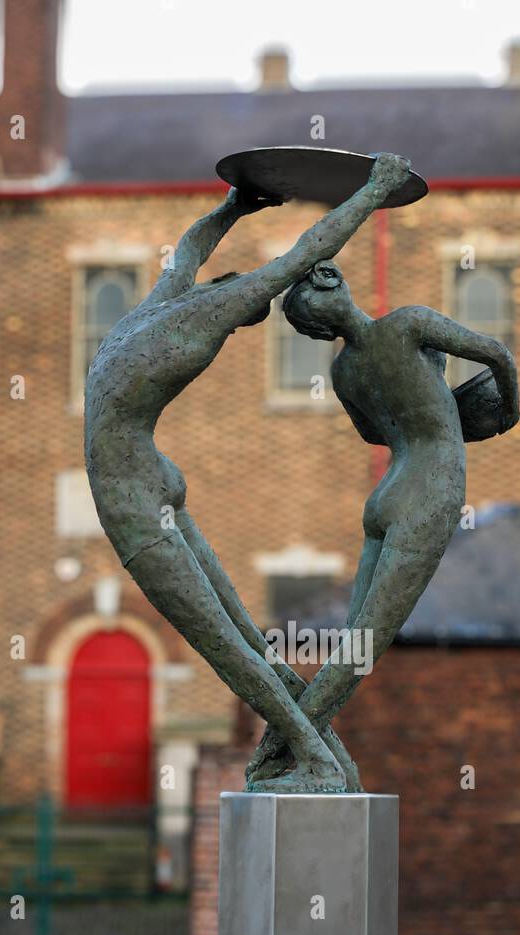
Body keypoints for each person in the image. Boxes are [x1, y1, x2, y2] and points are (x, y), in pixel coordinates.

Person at [85, 154, 412, 793]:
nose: (237, 283)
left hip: (131, 491)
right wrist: (233, 207)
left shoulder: (183, 314)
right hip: (148, 477)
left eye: (240, 289)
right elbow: (190, 248)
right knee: (239, 636)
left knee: (231, 647)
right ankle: (325, 752)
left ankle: (316, 760)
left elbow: (295, 254)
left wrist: (373, 193)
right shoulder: (167, 303)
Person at [247, 258, 519, 783]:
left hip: (387, 491)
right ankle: (281, 753)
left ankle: (308, 756)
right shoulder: (409, 324)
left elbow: (375, 434)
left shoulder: (343, 370)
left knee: (355, 640)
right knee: (363, 644)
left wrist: (423, 401)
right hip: (429, 486)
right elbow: (498, 355)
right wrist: (504, 411)